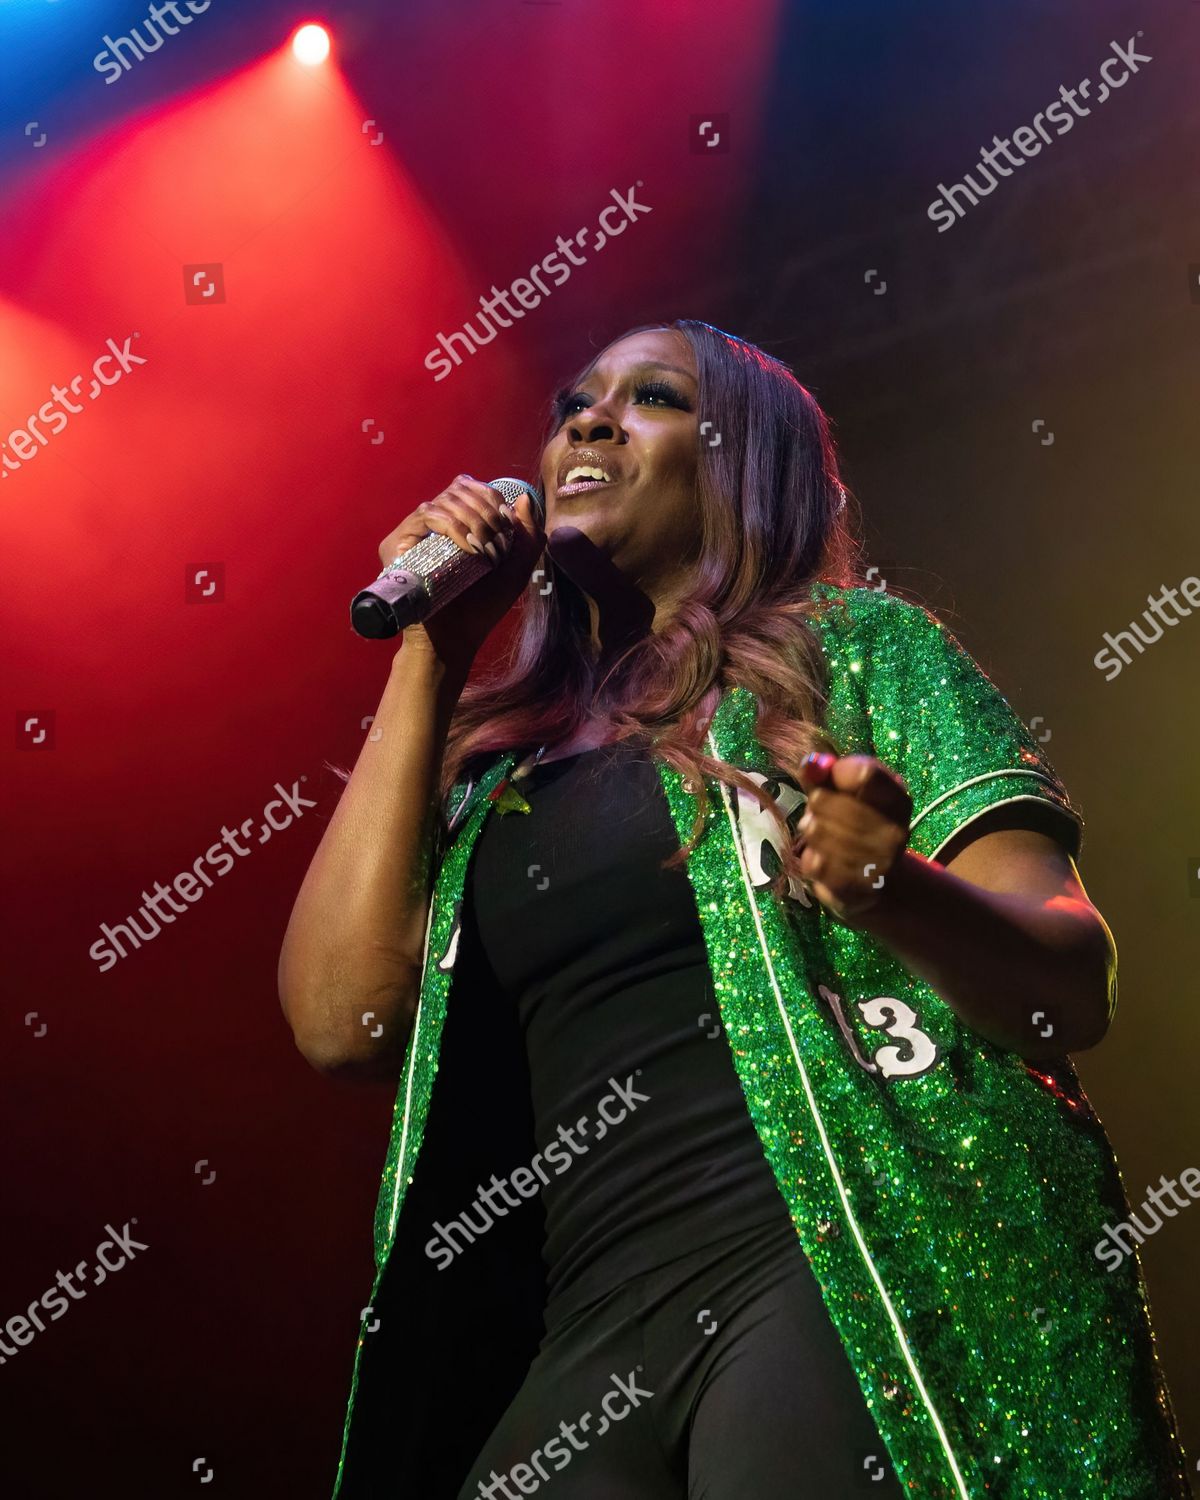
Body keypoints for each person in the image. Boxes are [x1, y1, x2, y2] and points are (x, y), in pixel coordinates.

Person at [279, 320, 1192, 1498]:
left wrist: (888, 887)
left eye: (651, 398)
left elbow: (1072, 985)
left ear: (741, 468)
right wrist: (431, 655)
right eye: (574, 404)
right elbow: (339, 1025)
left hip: (832, 1264)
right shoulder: (494, 768)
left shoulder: (862, 657)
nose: (589, 424)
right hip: (584, 1326)